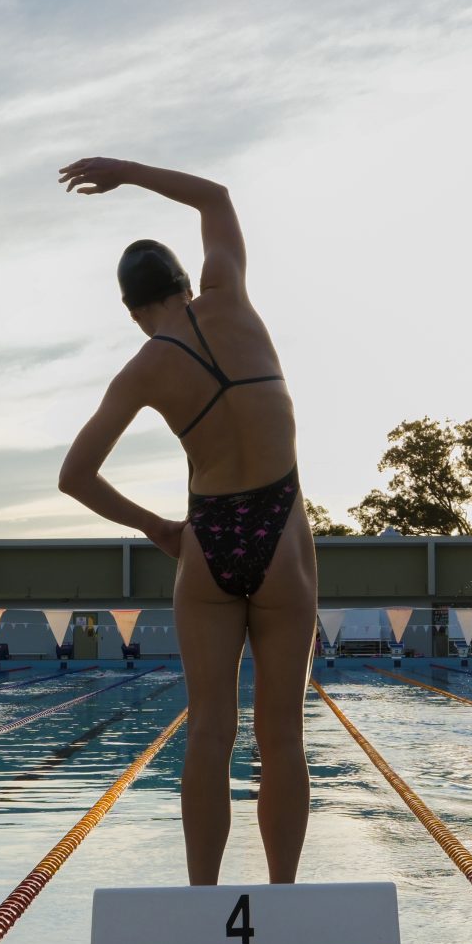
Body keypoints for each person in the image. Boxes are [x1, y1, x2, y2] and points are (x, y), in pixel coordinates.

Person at [57, 157, 316, 886]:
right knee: (282, 737)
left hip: (207, 540)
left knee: (208, 733)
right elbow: (217, 195)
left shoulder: (144, 367)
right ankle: (282, 899)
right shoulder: (230, 298)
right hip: (280, 533)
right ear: (184, 276)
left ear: (131, 307)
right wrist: (124, 173)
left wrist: (158, 529)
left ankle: (204, 902)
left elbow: (74, 475)